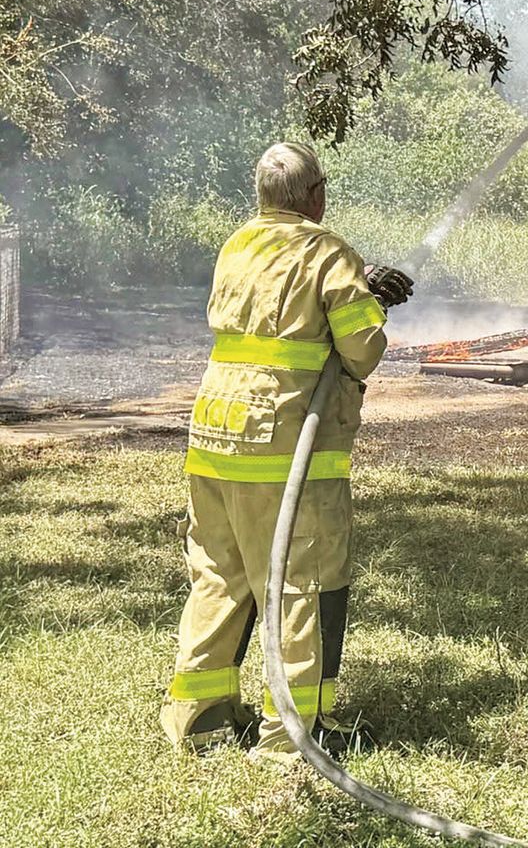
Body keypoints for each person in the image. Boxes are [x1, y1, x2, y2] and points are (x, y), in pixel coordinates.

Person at [159, 142, 414, 762]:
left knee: (220, 576)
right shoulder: (328, 252)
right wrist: (371, 301)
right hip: (284, 446)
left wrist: (358, 290)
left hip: (214, 437)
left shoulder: (237, 246)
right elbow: (361, 351)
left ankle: (203, 720)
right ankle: (296, 735)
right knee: (304, 583)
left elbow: (283, 317)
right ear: (316, 195)